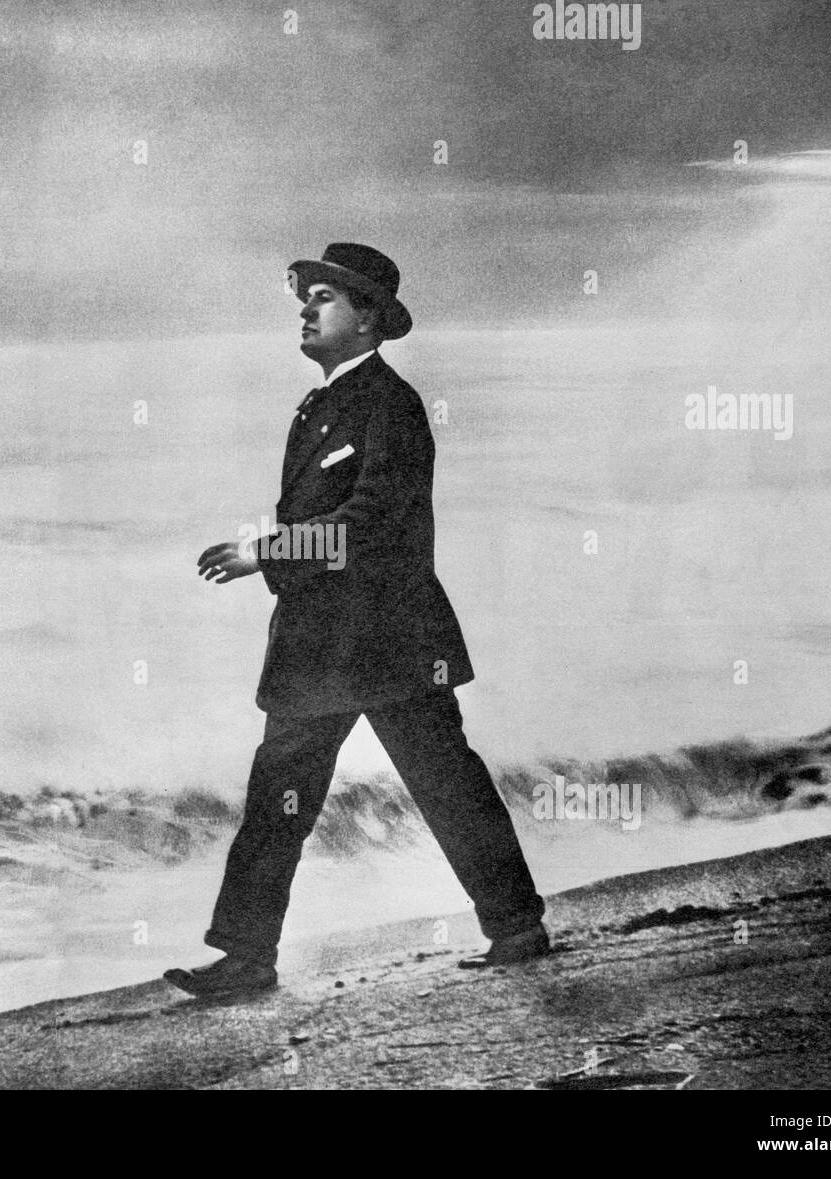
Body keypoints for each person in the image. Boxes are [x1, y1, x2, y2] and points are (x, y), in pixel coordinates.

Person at [165, 243, 546, 998]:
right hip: (317, 648)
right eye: (304, 298)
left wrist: (264, 553)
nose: (307, 310)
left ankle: (518, 926)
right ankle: (246, 956)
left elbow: (366, 524)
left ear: (369, 319)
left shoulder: (392, 405)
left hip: (392, 640)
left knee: (446, 784)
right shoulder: (318, 407)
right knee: (277, 796)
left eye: (326, 299)